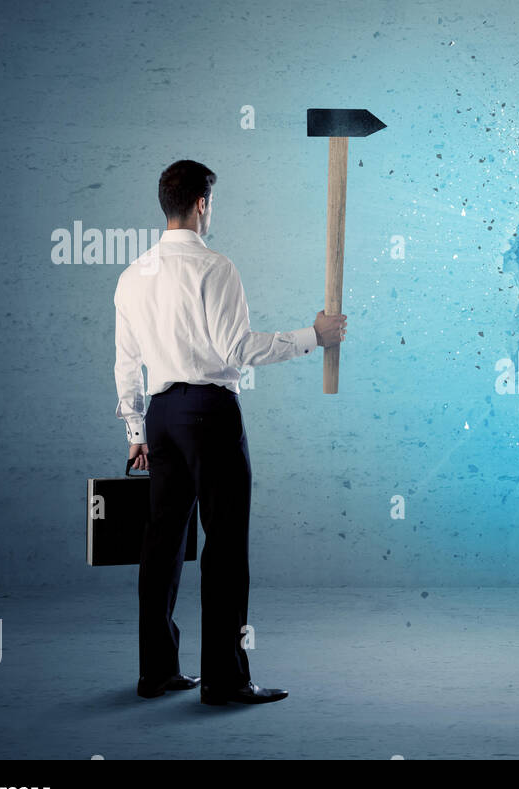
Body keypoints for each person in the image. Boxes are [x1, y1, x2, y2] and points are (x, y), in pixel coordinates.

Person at [114, 159, 345, 705]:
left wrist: (134, 429)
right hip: (210, 414)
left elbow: (126, 362)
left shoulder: (131, 275)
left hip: (161, 419)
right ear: (201, 204)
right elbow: (236, 351)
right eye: (210, 202)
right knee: (223, 549)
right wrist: (311, 336)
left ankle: (157, 673)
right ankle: (224, 679)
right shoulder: (215, 267)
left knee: (162, 546)